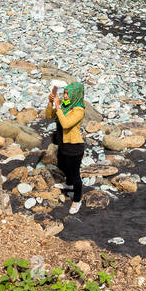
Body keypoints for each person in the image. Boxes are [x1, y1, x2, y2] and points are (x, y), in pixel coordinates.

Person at [48, 81, 86, 214]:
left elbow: (66, 124)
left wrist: (58, 107)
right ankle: (68, 183)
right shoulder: (66, 105)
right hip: (63, 143)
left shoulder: (79, 110)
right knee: (63, 166)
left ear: (75, 95)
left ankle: (77, 200)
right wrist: (50, 102)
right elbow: (49, 115)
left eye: (68, 94)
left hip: (74, 146)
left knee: (75, 175)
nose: (65, 96)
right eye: (64, 93)